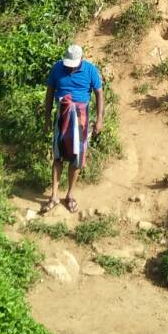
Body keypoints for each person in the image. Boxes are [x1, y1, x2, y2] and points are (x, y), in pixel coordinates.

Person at [40, 43, 103, 214]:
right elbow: (49, 93)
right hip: (61, 116)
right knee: (58, 155)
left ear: (81, 59)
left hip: (81, 117)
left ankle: (70, 195)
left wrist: (99, 119)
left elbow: (99, 93)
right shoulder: (57, 69)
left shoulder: (90, 70)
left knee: (77, 157)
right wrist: (46, 119)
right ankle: (54, 196)